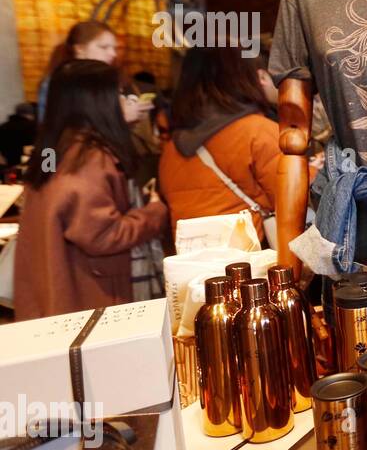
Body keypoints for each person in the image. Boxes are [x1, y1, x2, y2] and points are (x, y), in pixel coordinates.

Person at [14, 60, 169, 320]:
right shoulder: (87, 159)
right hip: (89, 302)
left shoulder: (54, 149)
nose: (124, 101)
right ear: (98, 100)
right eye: (119, 94)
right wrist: (154, 212)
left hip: (54, 292)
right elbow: (105, 235)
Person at [158, 46, 284, 243]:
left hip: (194, 264)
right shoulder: (258, 131)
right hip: (249, 263)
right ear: (243, 75)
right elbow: (289, 198)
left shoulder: (171, 146)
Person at [37, 21, 118, 122]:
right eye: (104, 47)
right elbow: (53, 127)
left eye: (114, 48)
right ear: (80, 49)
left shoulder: (103, 78)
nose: (113, 54)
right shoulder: (60, 82)